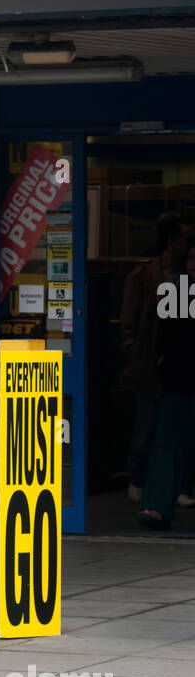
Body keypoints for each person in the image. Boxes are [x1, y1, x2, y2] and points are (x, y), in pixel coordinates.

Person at [120, 212, 189, 501]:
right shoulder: (144, 277)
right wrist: (138, 356)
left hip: (180, 365)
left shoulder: (188, 276)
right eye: (186, 240)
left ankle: (179, 487)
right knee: (146, 429)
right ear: (171, 241)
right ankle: (138, 480)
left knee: (178, 429)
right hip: (150, 364)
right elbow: (128, 324)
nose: (189, 246)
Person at [138, 230, 195, 531]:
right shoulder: (177, 290)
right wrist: (160, 364)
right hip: (180, 380)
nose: (194, 264)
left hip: (182, 378)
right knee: (168, 447)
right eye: (191, 258)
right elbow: (161, 334)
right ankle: (157, 507)